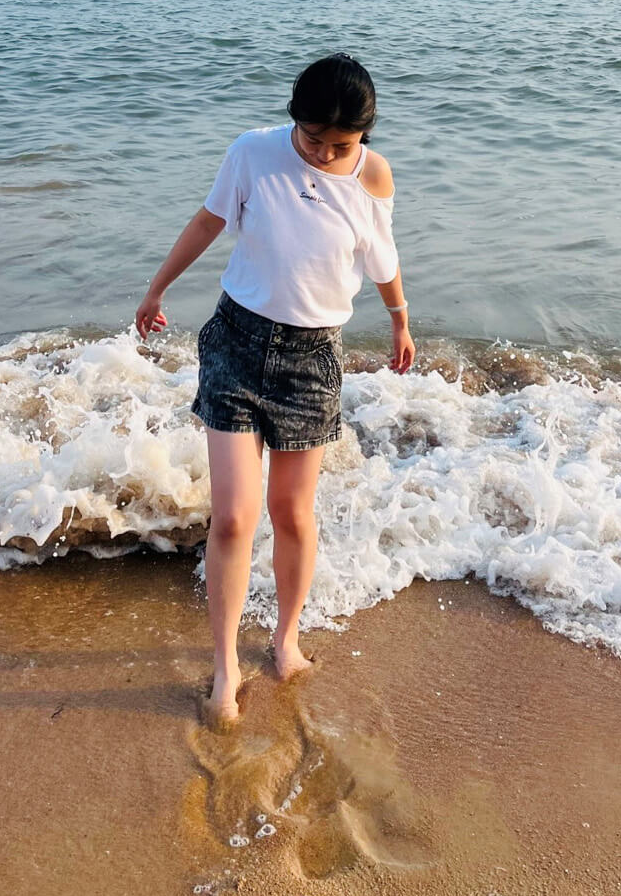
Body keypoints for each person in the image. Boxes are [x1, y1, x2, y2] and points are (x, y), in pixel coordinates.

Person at [134, 54, 414, 723]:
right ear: (294, 119)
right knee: (233, 514)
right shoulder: (253, 154)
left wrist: (402, 321)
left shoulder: (372, 175)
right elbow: (207, 221)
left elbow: (384, 258)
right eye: (312, 137)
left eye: (339, 145)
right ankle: (226, 666)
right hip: (236, 342)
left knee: (291, 512)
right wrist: (157, 286)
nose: (322, 152)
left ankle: (285, 639)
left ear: (363, 138)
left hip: (314, 360)